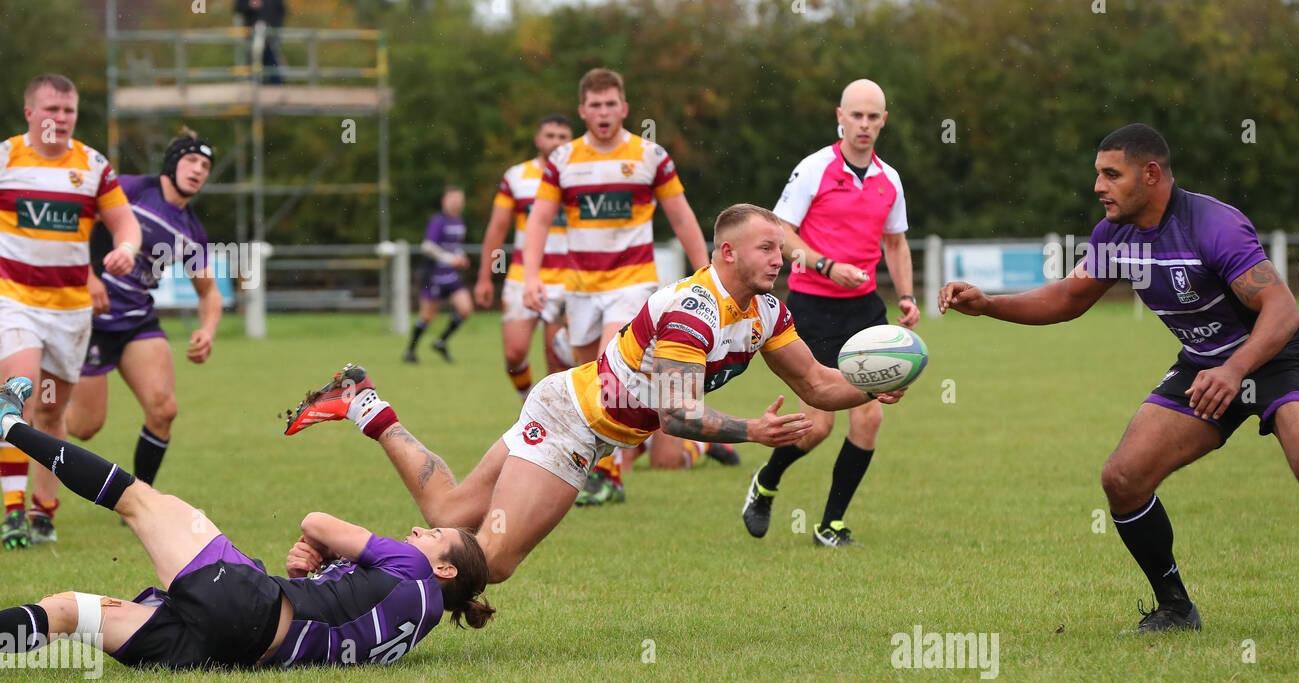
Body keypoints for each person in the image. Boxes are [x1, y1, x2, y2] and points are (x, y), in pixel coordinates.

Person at [285, 205, 905, 584]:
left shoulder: (764, 312)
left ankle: (363, 401)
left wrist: (878, 380)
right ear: (729, 252)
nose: (782, 257)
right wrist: (752, 430)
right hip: (573, 424)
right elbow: (676, 412)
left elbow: (819, 385)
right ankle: (346, 566)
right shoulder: (693, 310)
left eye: (783, 247)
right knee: (493, 562)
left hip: (570, 406)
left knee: (449, 519)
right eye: (770, 248)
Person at [939, 123, 1299, 633]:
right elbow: (1069, 298)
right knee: (1123, 479)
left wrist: (1236, 369)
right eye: (1097, 174)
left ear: (1150, 174)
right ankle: (1176, 608)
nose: (1098, 186)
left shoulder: (1214, 225)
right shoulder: (1114, 235)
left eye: (1111, 174)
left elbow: (1283, 309)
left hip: (1277, 358)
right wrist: (989, 305)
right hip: (1203, 363)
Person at [0, 376, 491, 670]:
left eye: (435, 535)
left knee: (139, 500)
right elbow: (340, 615)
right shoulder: (418, 623)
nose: (420, 530)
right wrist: (315, 574)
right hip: (234, 649)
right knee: (65, 612)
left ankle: (10, 426)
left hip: (245, 603)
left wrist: (324, 551)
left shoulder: (411, 566)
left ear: (445, 569)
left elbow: (315, 520)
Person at [741, 79, 919, 549]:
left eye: (873, 116)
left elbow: (896, 243)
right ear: (839, 116)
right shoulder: (815, 168)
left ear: (884, 121)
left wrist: (906, 296)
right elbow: (781, 231)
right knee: (817, 425)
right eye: (856, 115)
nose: (864, 124)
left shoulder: (890, 179)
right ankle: (765, 482)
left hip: (864, 310)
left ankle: (830, 526)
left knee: (870, 418)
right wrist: (826, 265)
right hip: (813, 308)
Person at [521, 67, 711, 505]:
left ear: (624, 108)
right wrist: (532, 276)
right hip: (582, 288)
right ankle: (612, 464)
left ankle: (607, 478)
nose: (604, 112)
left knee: (610, 368)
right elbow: (539, 221)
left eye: (611, 104)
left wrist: (706, 275)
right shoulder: (563, 160)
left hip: (632, 282)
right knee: (591, 380)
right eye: (596, 105)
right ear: (582, 110)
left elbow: (681, 216)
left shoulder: (650, 156)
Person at [0, 74, 142, 549]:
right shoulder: (6, 158)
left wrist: (125, 248)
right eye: (51, 110)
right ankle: (12, 513)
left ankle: (44, 512)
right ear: (29, 113)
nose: (59, 119)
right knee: (14, 396)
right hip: (14, 300)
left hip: (70, 311)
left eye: (68, 111)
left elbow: (125, 223)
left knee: (51, 413)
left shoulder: (92, 165)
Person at [63, 129, 224, 493]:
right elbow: (74, 221)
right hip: (91, 318)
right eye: (191, 160)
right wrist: (88, 276)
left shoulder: (191, 231)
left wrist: (208, 330)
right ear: (172, 162)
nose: (198, 170)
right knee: (84, 427)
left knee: (163, 410)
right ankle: (36, 412)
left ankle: (142, 498)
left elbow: (209, 291)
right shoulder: (132, 189)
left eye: (205, 166)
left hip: (136, 320)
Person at [473, 114, 574, 400]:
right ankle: (528, 401)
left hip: (566, 281)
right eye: (550, 135)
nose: (555, 142)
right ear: (538, 140)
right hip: (522, 275)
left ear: (571, 141)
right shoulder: (517, 176)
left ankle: (551, 426)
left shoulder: (579, 176)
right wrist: (484, 277)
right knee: (514, 353)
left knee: (558, 363)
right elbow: (497, 229)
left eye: (562, 136)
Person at [405, 186, 472, 364]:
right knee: (428, 315)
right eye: (453, 199)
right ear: (444, 201)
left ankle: (441, 341)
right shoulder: (438, 221)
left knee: (465, 308)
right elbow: (427, 246)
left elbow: (454, 245)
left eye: (459, 200)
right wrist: (450, 258)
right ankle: (410, 351)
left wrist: (461, 256)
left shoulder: (459, 222)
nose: (457, 203)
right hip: (433, 275)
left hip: (450, 275)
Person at [236, 0, 286, 85]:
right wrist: (250, 5)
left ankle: (276, 84)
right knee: (253, 59)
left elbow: (282, 11)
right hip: (251, 33)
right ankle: (254, 84)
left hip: (271, 33)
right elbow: (238, 7)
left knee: (272, 58)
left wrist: (276, 28)